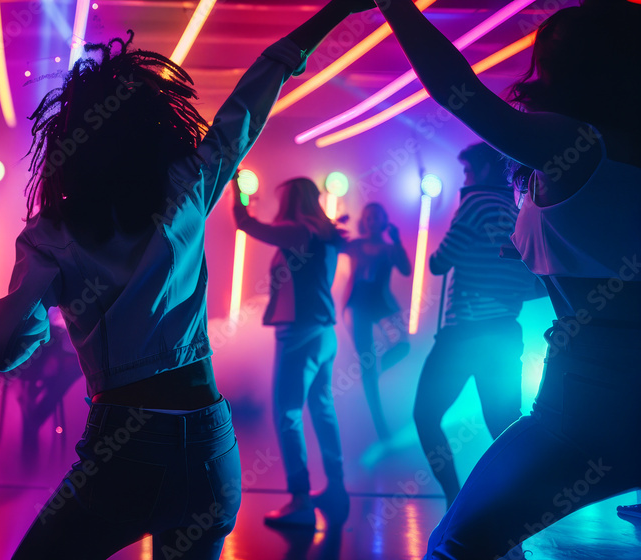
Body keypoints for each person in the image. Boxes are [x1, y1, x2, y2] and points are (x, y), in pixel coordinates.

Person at [0, 1, 375, 557]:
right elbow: (254, 94)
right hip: (212, 446)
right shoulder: (189, 184)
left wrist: (38, 328)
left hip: (127, 448)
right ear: (158, 127)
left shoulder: (51, 232)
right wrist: (335, 10)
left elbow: (2, 347)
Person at [375, 0, 641, 557]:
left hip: (591, 396)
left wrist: (393, 5)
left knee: (457, 545)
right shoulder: (614, 147)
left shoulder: (578, 143)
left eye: (549, 51)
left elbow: (458, 93)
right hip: (596, 381)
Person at [411, 142, 542, 509]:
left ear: (483, 171)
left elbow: (439, 262)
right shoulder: (518, 210)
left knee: (425, 415)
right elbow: (532, 282)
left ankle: (455, 501)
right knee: (504, 426)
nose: (465, 179)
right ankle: (513, 508)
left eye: (468, 171)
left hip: (465, 332)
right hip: (504, 332)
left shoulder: (475, 203)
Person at [232, 177, 350, 528]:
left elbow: (245, 223)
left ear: (292, 200)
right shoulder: (324, 234)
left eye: (282, 198)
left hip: (299, 332)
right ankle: (336, 489)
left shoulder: (299, 231)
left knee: (288, 413)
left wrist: (234, 183)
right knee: (322, 409)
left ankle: (300, 499)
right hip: (323, 331)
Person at [342, 202, 411, 441]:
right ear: (363, 221)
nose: (371, 221)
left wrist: (398, 241)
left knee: (403, 345)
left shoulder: (389, 249)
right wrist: (334, 227)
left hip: (382, 304)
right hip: (358, 306)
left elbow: (406, 270)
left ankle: (378, 371)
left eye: (376, 217)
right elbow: (331, 246)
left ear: (384, 220)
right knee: (366, 362)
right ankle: (379, 424)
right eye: (368, 217)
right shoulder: (355, 245)